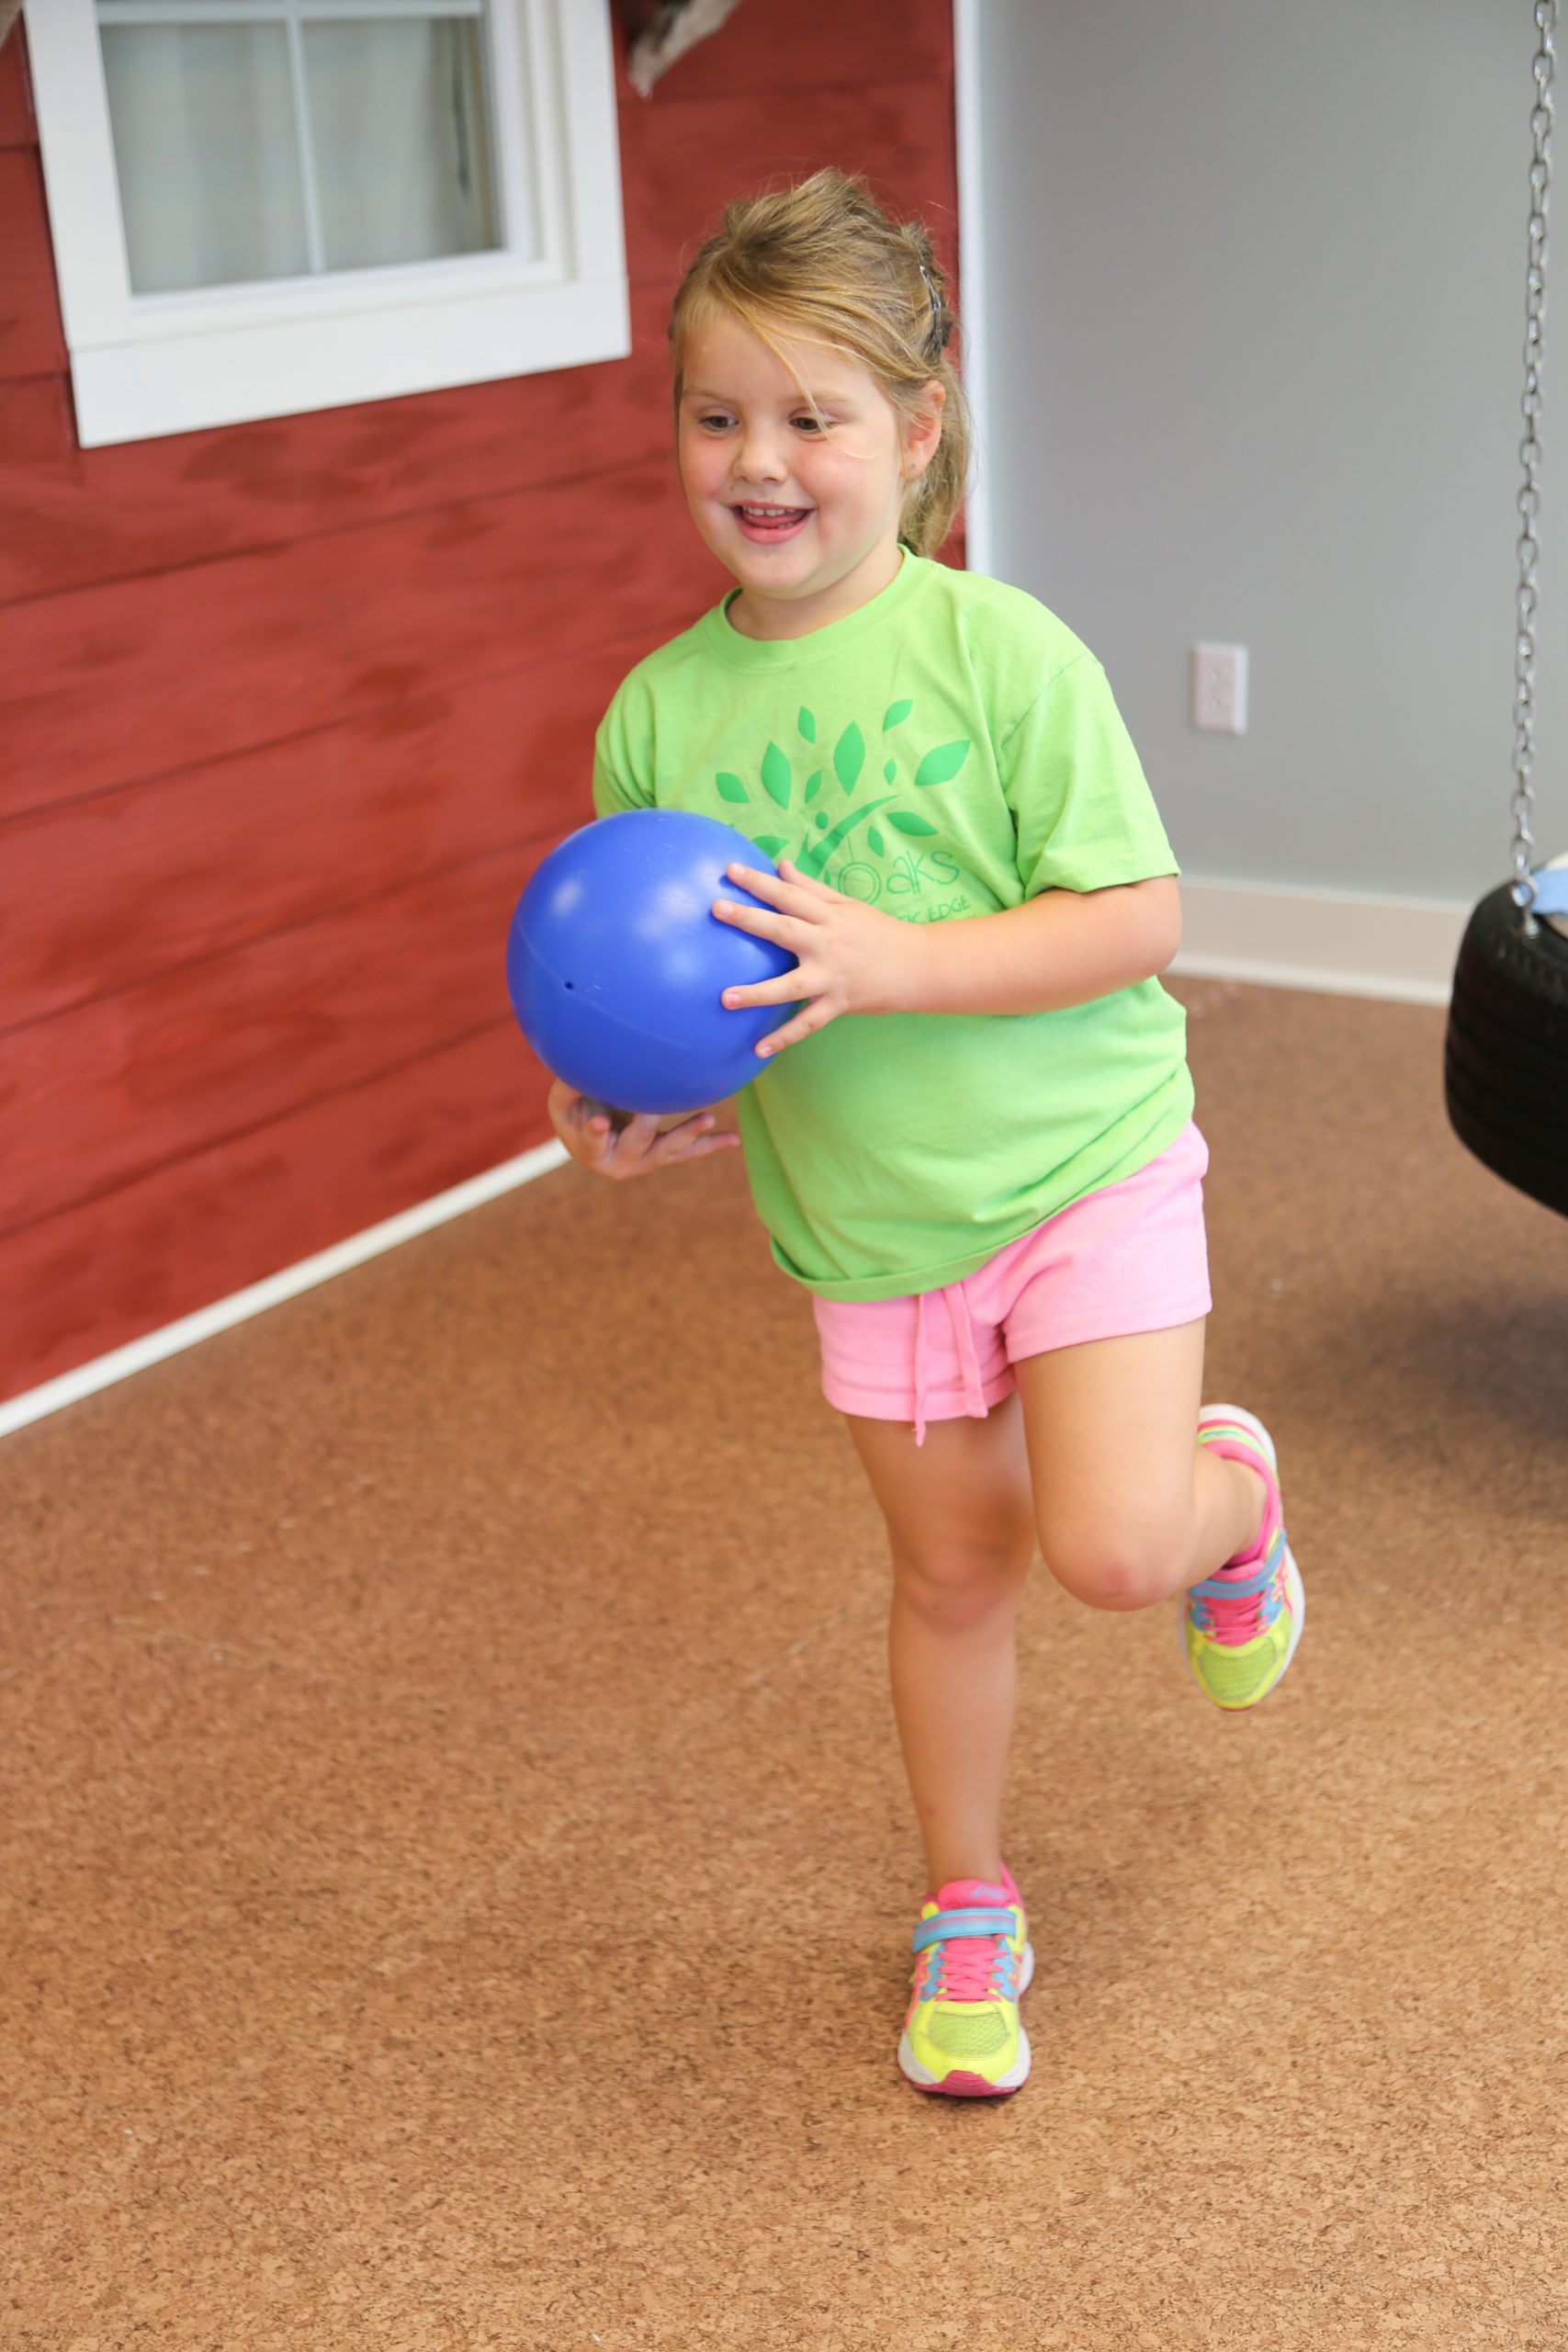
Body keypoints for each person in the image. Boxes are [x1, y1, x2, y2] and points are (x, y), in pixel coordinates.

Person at [547, 169, 1303, 2100]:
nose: (762, 459)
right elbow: (645, 986)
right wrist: (611, 1107)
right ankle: (965, 1895)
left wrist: (892, 961)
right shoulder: (655, 713)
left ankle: (1232, 1497)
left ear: (916, 428)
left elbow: (1134, 920)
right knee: (952, 1569)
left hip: (1083, 1166)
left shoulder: (1004, 655)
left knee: (1109, 1548)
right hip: (870, 1225)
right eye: (718, 414)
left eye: (815, 414)